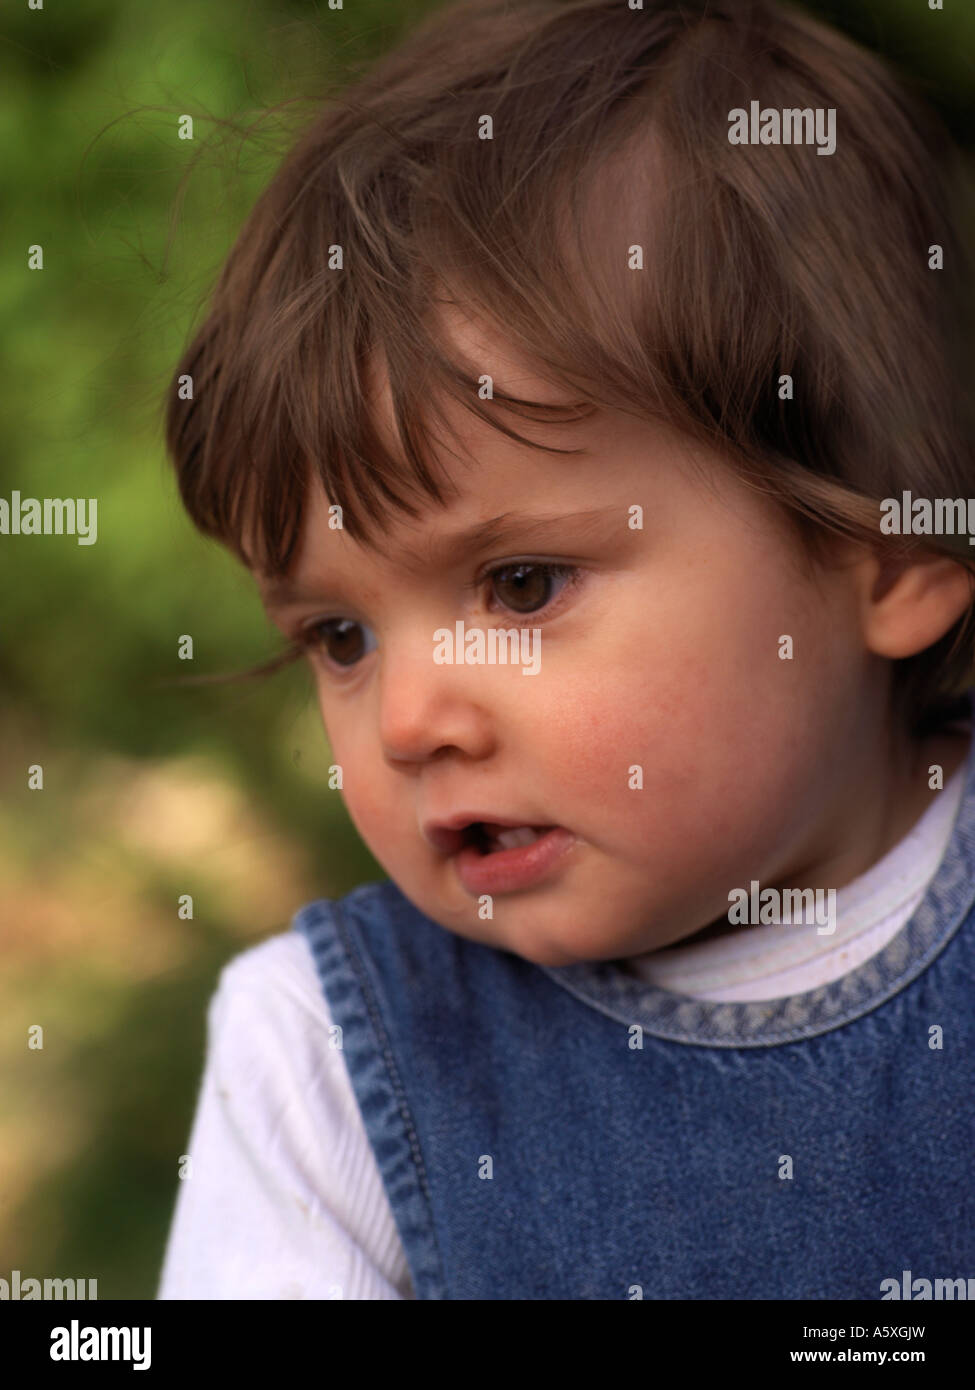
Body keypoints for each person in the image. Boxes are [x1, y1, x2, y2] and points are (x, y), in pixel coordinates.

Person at [157, 0, 975, 1299]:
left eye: (523, 583)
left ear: (891, 555)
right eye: (342, 634)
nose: (409, 719)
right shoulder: (322, 1059)